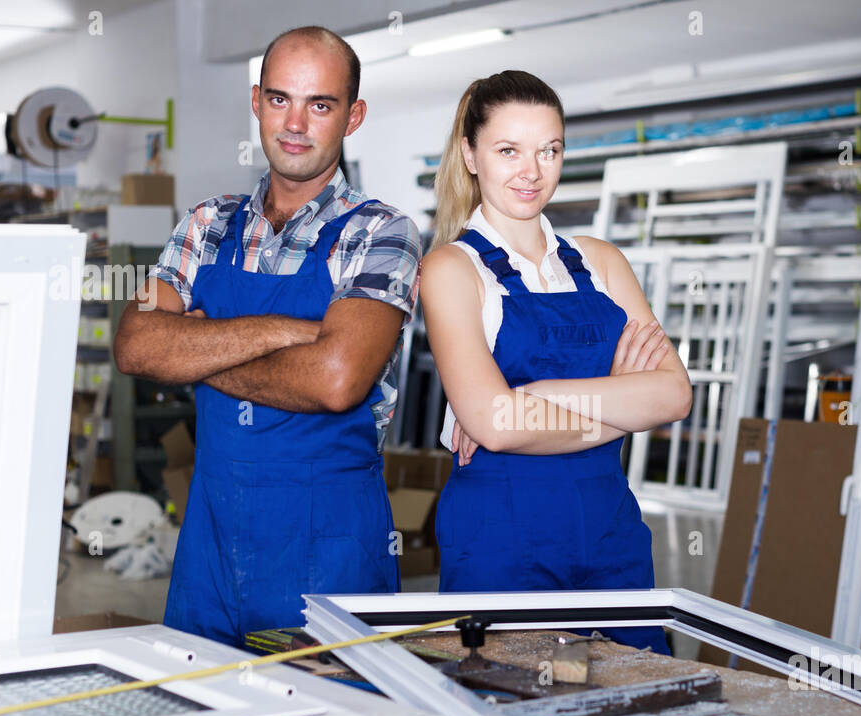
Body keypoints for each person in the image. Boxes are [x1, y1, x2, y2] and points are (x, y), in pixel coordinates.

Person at [114, 26, 421, 648]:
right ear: (256, 102)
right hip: (210, 549)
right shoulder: (206, 223)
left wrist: (194, 350)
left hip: (328, 552)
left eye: (320, 105)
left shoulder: (381, 234)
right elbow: (136, 345)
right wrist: (283, 332)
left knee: (327, 709)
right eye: (280, 99)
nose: (295, 124)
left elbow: (335, 382)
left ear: (353, 116)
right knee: (200, 703)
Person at [420, 71, 693, 654]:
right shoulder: (451, 270)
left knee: (640, 694)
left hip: (612, 533)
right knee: (506, 699)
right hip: (501, 540)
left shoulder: (602, 262)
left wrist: (536, 395)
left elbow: (674, 396)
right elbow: (496, 426)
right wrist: (622, 406)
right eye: (508, 150)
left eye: (549, 150)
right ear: (470, 154)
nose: (532, 171)